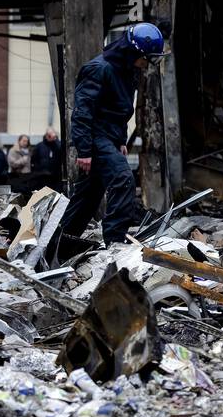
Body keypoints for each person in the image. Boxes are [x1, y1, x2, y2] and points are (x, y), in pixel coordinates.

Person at [47, 23, 166, 258]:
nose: (148, 65)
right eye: (147, 58)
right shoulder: (98, 69)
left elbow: (120, 111)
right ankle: (115, 245)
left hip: (110, 139)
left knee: (87, 199)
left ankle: (55, 249)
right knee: (123, 180)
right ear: (134, 52)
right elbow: (82, 112)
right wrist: (84, 151)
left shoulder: (127, 71)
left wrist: (121, 140)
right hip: (95, 138)